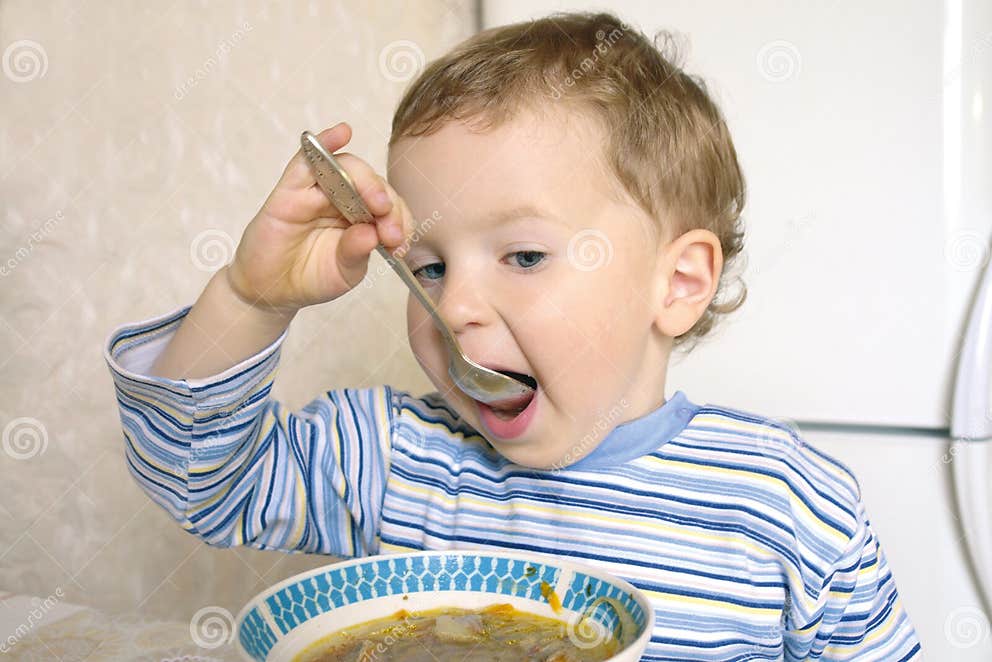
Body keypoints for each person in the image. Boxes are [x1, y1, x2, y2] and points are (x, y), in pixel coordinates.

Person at [104, 11, 921, 660]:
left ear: (675, 284)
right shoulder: (393, 458)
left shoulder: (785, 507)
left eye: (524, 255)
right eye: (427, 267)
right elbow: (205, 483)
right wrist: (250, 298)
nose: (455, 305)